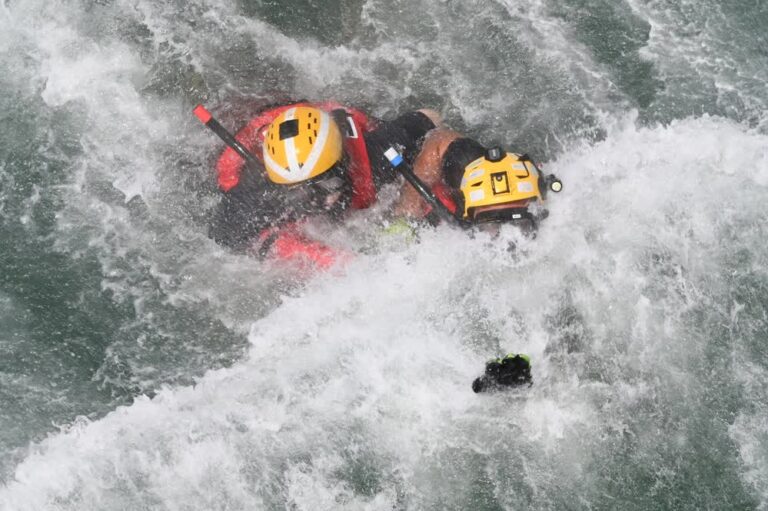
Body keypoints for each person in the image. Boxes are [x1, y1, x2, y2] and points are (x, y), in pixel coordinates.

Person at [207, 100, 441, 268]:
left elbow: (429, 117)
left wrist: (407, 206)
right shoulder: (261, 194)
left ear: (344, 163)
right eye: (299, 191)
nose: (318, 200)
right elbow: (222, 237)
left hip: (321, 123)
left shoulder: (375, 155)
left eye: (327, 184)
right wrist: (307, 251)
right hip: (262, 124)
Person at [392, 127, 561, 230]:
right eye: (491, 226)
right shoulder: (465, 172)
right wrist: (407, 209)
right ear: (469, 214)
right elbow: (439, 142)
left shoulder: (556, 212)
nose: (507, 240)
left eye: (522, 225)